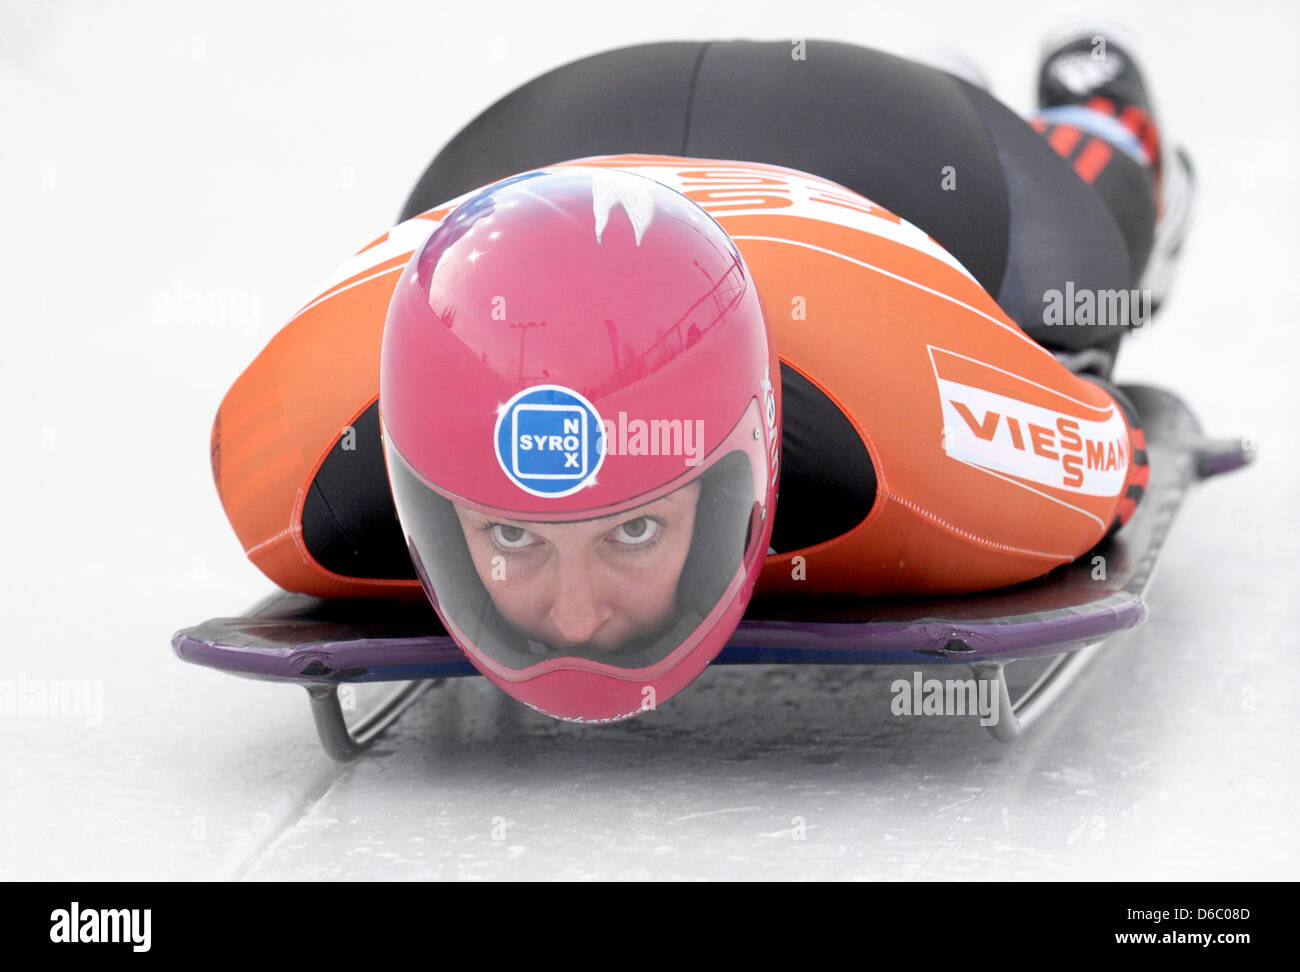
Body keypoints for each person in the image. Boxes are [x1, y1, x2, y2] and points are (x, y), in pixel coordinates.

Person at [208, 31, 1189, 720]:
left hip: (901, 144)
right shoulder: (290, 457)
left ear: (744, 473)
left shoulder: (921, 446)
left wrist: (1063, 388)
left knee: (1077, 292)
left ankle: (1092, 103)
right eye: (510, 534)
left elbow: (1110, 440)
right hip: (540, 137)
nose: (577, 618)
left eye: (633, 529)